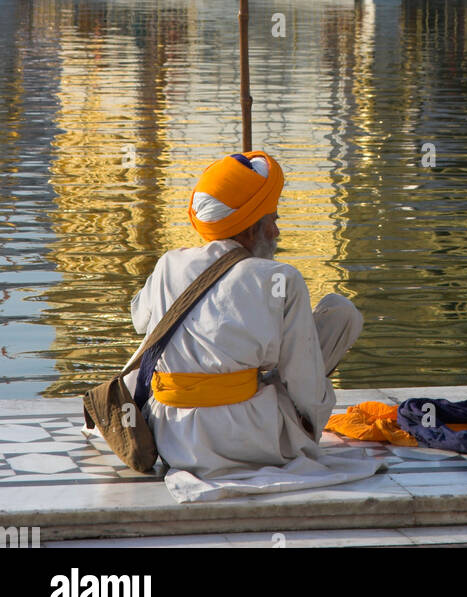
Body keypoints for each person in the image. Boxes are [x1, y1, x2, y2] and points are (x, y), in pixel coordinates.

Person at [124, 150, 369, 496]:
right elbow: (301, 376)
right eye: (273, 219)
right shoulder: (281, 277)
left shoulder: (168, 263)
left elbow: (139, 320)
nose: (277, 230)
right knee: (339, 313)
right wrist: (305, 432)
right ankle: (291, 437)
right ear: (252, 228)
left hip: (170, 437)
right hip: (245, 437)